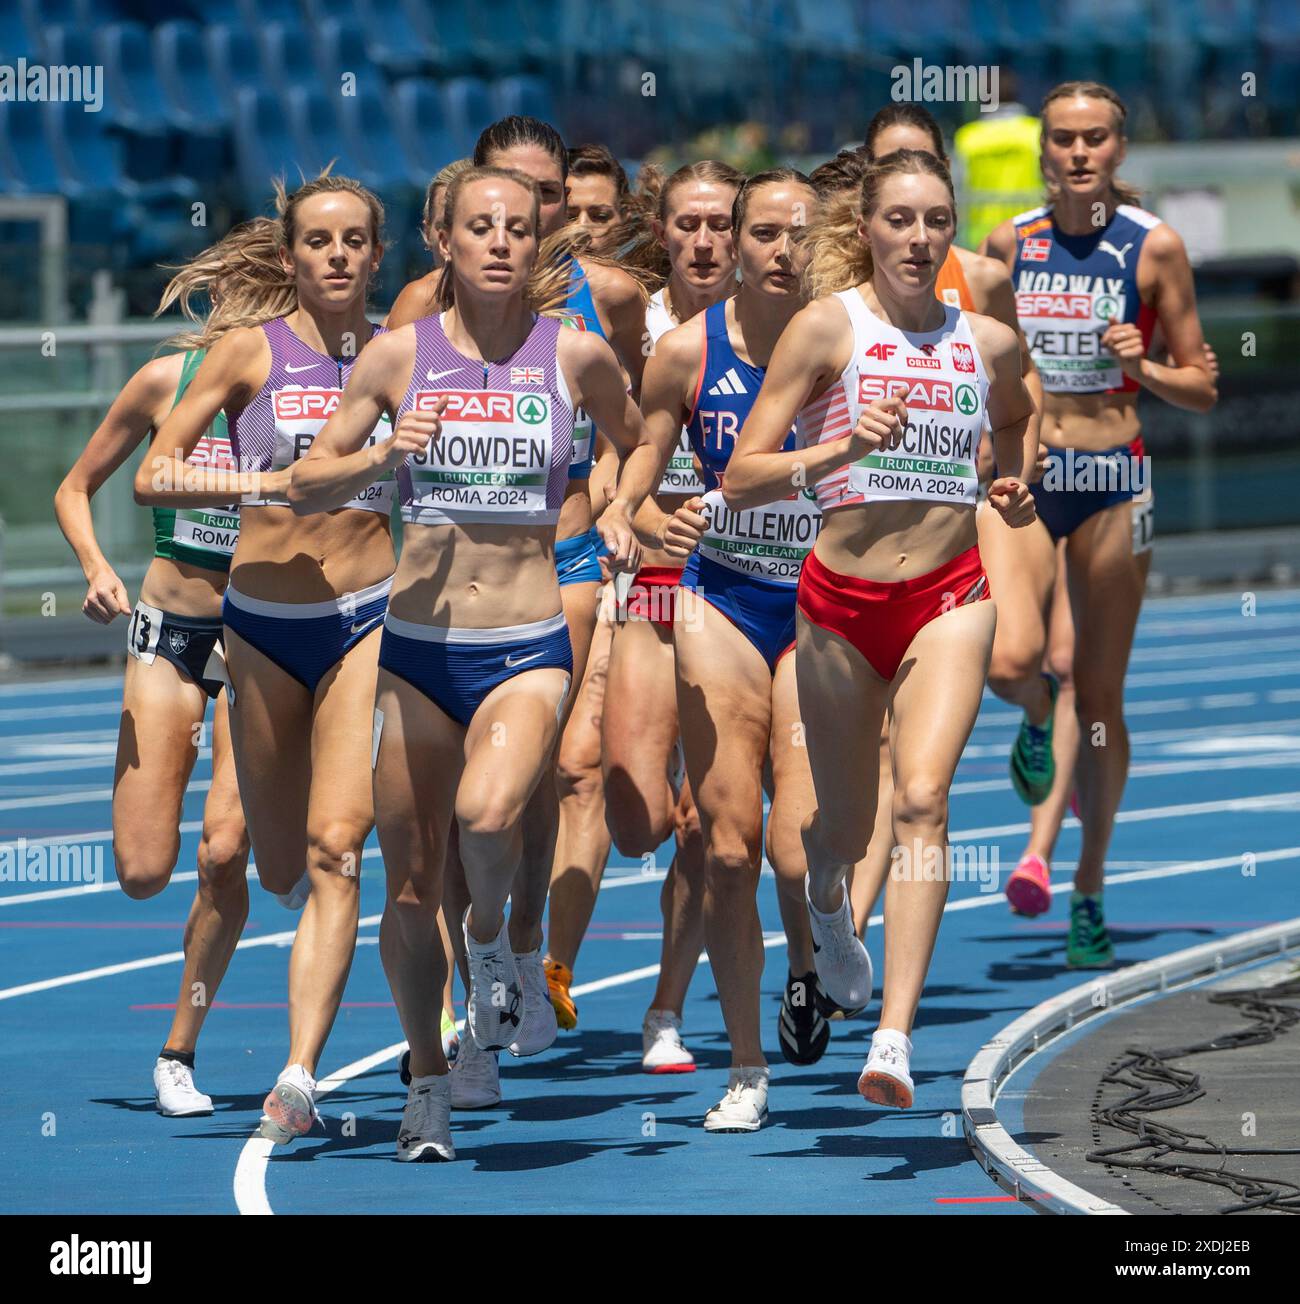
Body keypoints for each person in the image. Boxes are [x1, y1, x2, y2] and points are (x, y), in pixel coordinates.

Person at [289, 163, 660, 1160]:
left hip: (528, 639)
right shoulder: (394, 358)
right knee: (410, 887)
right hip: (415, 648)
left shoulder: (574, 356)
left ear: (536, 243)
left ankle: (494, 940)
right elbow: (306, 477)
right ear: (443, 242)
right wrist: (377, 456)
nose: (499, 241)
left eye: (515, 226)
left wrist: (622, 509)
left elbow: (633, 441)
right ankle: (424, 1078)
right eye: (477, 227)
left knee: (490, 812)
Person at [725, 148, 1037, 1107]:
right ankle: (827, 910)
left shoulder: (986, 342)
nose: (919, 237)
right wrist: (843, 447)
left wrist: (1013, 481)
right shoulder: (829, 327)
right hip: (837, 606)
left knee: (925, 800)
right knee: (843, 829)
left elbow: (1022, 419)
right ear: (863, 228)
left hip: (950, 593)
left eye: (936, 220)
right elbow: (740, 474)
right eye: (899, 219)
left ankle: (894, 1036)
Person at [134, 174, 397, 1143]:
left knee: (339, 845)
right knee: (276, 856)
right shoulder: (250, 352)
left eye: (354, 241)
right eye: (318, 241)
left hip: (367, 614)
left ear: (377, 255)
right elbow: (157, 472)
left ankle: (298, 1072)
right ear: (288, 258)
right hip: (259, 624)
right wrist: (265, 479)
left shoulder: (402, 354)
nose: (336, 256)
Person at [981, 82, 1216, 963]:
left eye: (1096, 139)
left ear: (1119, 149)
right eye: (1064, 140)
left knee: (1105, 698)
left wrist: (1145, 364)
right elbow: (989, 372)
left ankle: (1087, 884)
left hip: (1115, 475)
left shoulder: (1154, 247)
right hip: (1036, 474)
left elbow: (1201, 383)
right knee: (1014, 657)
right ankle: (1036, 718)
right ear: (1043, 152)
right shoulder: (1011, 246)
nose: (1079, 154)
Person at [54, 234, 266, 1117]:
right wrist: (96, 568)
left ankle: (179, 1051)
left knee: (227, 853)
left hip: (261, 638)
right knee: (143, 869)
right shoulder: (164, 381)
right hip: (170, 631)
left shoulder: (305, 389)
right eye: (236, 303)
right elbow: (74, 487)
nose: (247, 326)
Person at [634, 169, 828, 1127]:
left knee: (796, 848)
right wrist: (639, 514)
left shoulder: (854, 346)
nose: (781, 250)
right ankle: (746, 1068)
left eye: (801, 233)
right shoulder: (684, 352)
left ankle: (812, 952)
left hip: (824, 604)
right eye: (764, 233)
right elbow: (630, 464)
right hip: (722, 595)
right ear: (740, 247)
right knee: (724, 846)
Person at [599, 160, 744, 1072]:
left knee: (703, 821)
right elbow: (621, 458)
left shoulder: (783, 326)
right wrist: (643, 519)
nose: (704, 241)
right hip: (652, 588)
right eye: (687, 223)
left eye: (721, 224)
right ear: (661, 230)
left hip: (741, 596)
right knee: (637, 818)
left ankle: (667, 1009)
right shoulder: (636, 328)